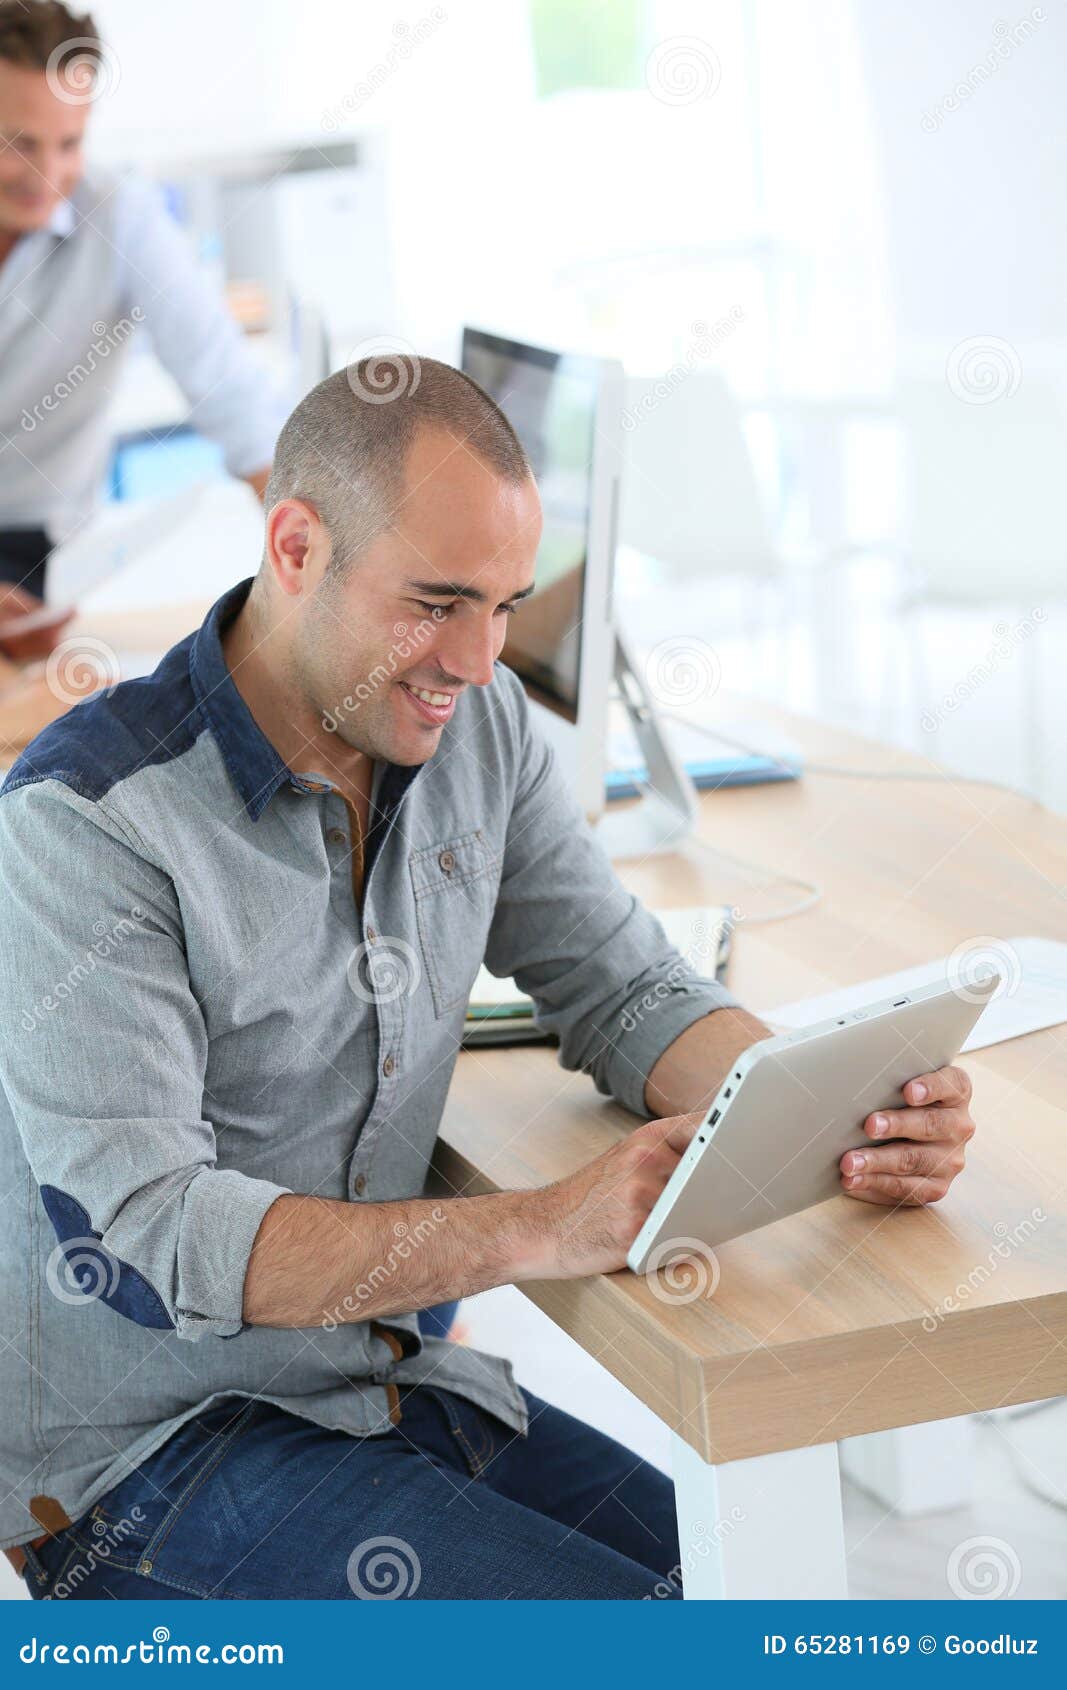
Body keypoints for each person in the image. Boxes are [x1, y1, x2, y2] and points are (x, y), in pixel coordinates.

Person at [0, 357, 978, 1600]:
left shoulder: (480, 728)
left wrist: (831, 1103)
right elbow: (152, 1241)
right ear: (294, 546)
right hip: (146, 1458)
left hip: (386, 1385)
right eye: (437, 602)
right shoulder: (88, 820)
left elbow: (618, 988)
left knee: (751, 1601)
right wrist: (536, 1225)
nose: (476, 658)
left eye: (508, 605)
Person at [0, 0, 287, 604]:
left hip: (41, 555)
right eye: (19, 144)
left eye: (69, 143)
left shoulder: (120, 216)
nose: (47, 174)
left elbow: (231, 391)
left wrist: (323, 562)